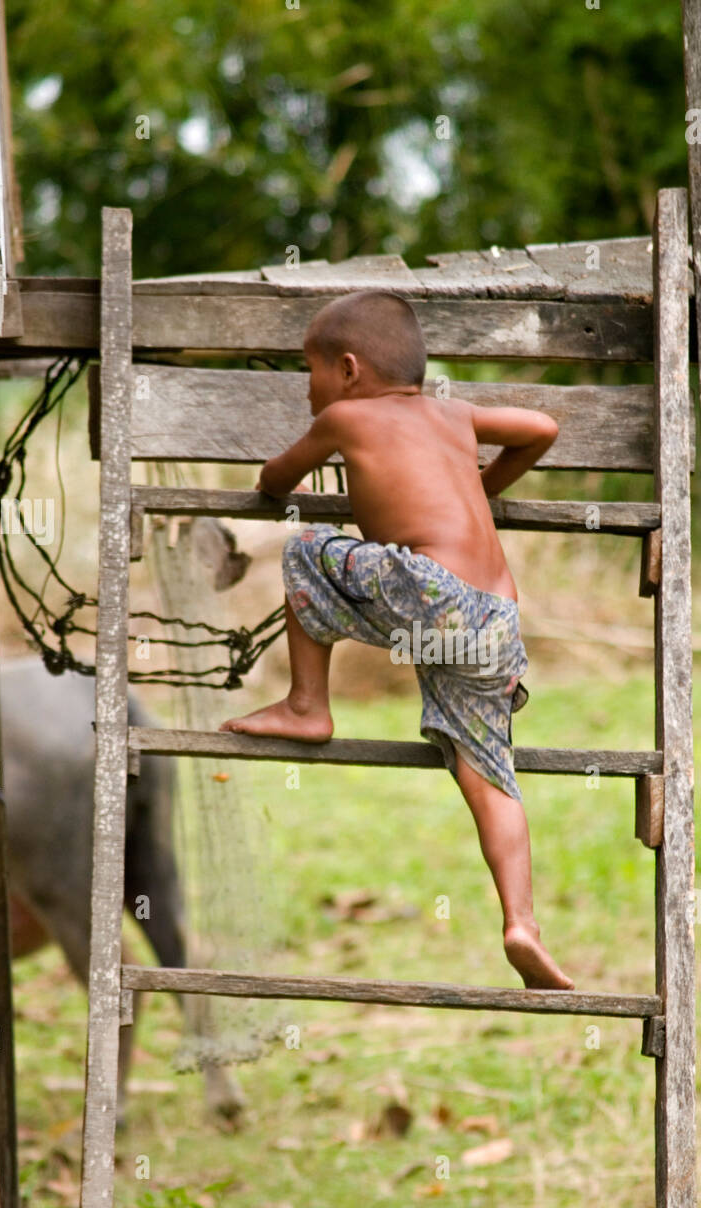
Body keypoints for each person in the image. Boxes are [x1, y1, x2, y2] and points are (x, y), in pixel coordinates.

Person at [220, 290, 573, 990]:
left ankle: (306, 705)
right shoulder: (455, 414)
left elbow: (272, 482)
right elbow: (541, 426)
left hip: (428, 594)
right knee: (487, 772)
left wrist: (308, 465)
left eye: (310, 372)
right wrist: (483, 482)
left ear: (348, 370)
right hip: (494, 617)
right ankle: (521, 924)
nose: (308, 388)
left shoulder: (346, 417)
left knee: (307, 549)